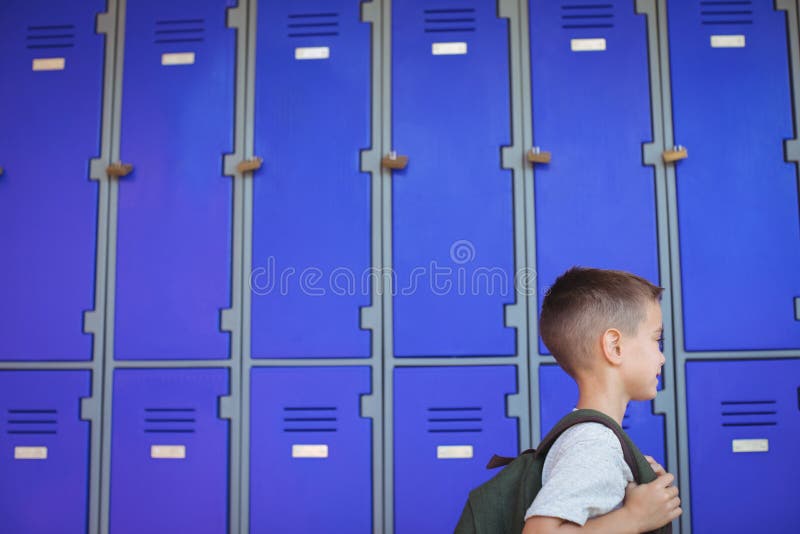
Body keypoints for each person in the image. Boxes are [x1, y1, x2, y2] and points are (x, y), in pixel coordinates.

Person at [522, 267, 682, 533]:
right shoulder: (594, 443)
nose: (662, 357)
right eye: (657, 339)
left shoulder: (593, 442)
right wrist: (634, 517)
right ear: (614, 347)